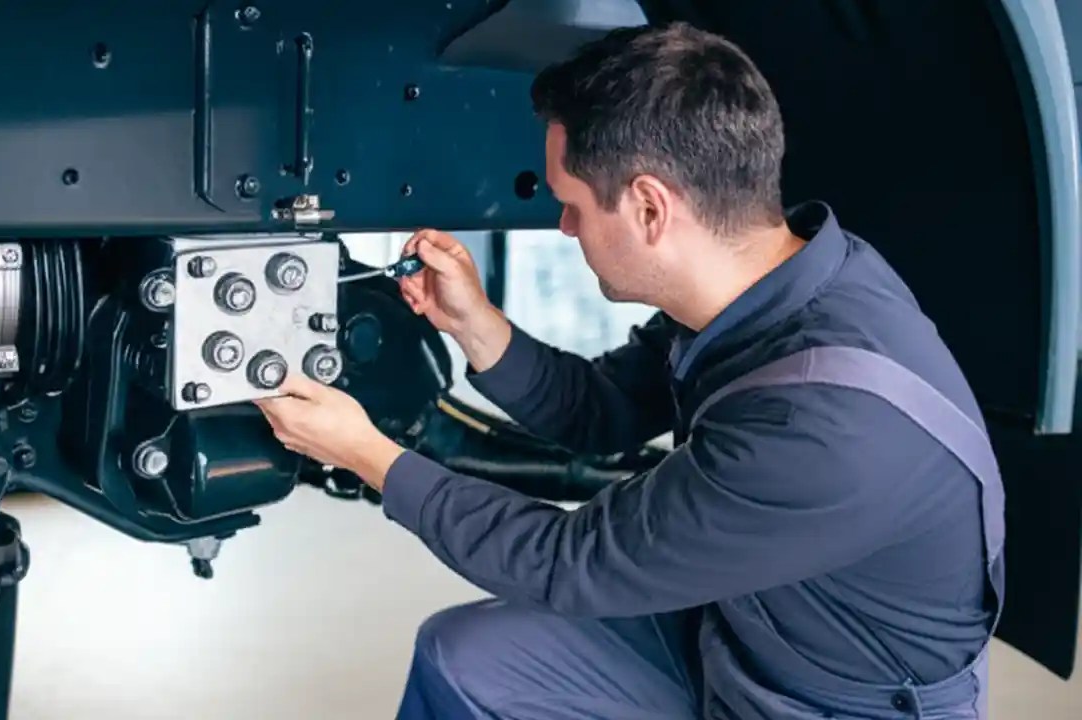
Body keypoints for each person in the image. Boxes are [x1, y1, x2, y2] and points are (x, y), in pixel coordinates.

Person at [255, 21, 1004, 720]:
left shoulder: (823, 429)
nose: (566, 226)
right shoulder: (765, 289)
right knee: (465, 657)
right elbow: (604, 410)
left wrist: (367, 456)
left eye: (575, 205)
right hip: (739, 629)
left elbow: (570, 563)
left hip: (829, 702)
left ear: (650, 206)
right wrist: (476, 328)